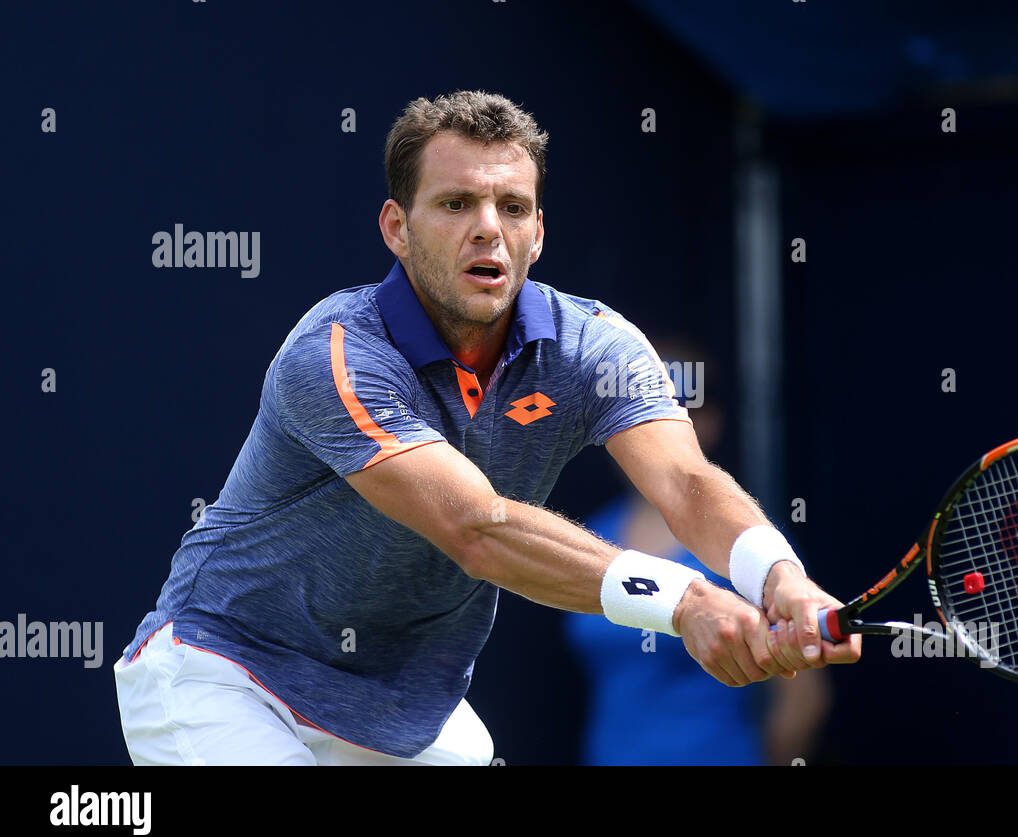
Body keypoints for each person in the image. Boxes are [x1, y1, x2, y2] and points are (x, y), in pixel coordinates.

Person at [113, 90, 859, 766]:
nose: (487, 230)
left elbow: (689, 483)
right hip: (224, 670)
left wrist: (778, 577)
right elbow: (479, 529)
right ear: (397, 228)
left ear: (538, 232)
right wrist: (688, 599)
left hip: (399, 707)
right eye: (456, 203)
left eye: (511, 206)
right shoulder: (338, 354)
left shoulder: (595, 345)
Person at [564, 366, 831, 765]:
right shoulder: (588, 536)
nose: (645, 424)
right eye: (630, 408)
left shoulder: (749, 549)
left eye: (669, 408)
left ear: (708, 422)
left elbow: (803, 698)